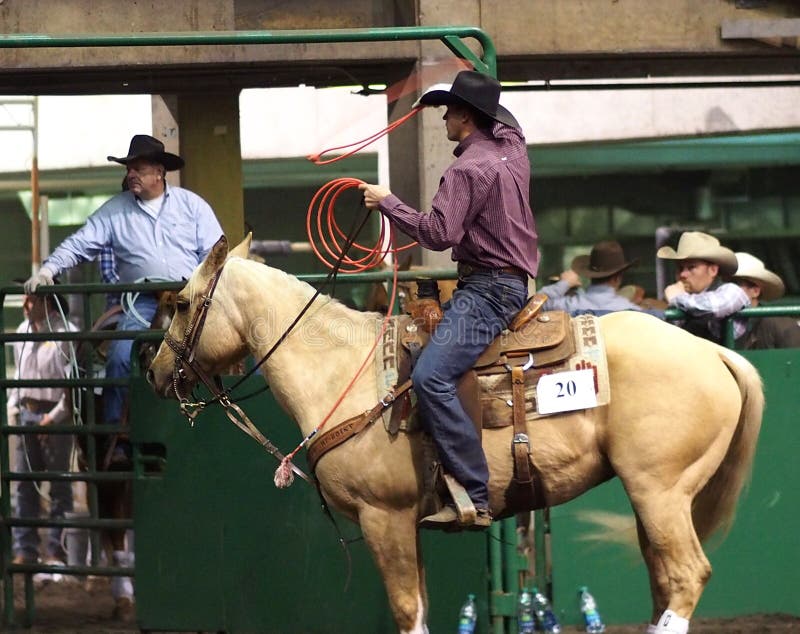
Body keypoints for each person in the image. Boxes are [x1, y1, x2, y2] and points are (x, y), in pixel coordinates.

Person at [359, 70, 538, 530]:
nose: (443, 118)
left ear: (464, 116)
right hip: (512, 281)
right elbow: (510, 123)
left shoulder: (467, 169)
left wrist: (387, 202)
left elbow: (439, 234)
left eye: (449, 110)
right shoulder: (512, 149)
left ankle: (474, 494)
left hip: (489, 289)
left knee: (430, 376)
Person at [24, 134, 223, 457]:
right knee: (120, 354)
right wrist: (49, 270)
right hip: (143, 298)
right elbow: (80, 242)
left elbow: (215, 256)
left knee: (237, 348)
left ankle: (238, 420)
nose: (131, 174)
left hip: (192, 297)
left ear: (159, 173)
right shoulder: (115, 211)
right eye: (130, 168)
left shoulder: (192, 205)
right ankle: (120, 435)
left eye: (139, 168)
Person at [6, 290, 77, 566]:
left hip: (54, 414)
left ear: (48, 302)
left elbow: (71, 387)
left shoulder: (66, 333)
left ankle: (57, 551)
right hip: (28, 411)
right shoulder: (24, 329)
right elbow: (19, 375)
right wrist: (14, 408)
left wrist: (55, 417)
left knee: (59, 485)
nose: (25, 304)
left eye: (31, 299)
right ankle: (26, 550)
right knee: (24, 483)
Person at [657, 231, 749, 343]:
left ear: (713, 270)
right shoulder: (681, 302)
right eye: (680, 268)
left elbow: (713, 308)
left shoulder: (732, 291)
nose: (682, 275)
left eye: (691, 267)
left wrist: (677, 298)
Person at [538, 240, 642, 313]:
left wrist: (565, 283)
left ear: (590, 275)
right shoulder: (632, 312)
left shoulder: (567, 306)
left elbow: (534, 306)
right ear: (617, 278)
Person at [732, 252, 800, 349]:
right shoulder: (712, 325)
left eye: (734, 285)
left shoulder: (779, 325)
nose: (724, 292)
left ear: (755, 291)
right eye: (721, 285)